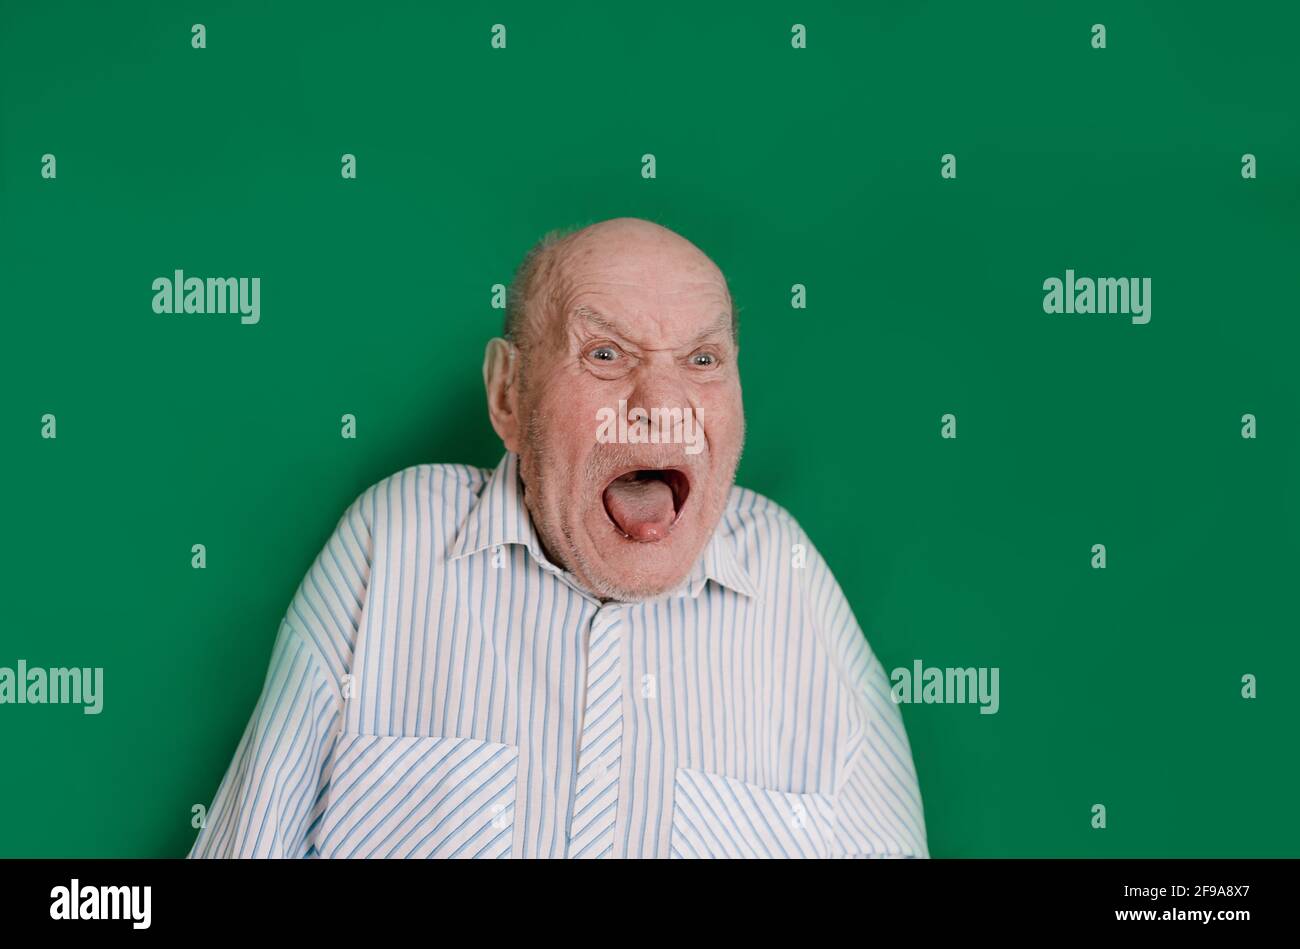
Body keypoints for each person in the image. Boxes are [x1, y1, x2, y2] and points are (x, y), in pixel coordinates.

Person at [188, 217, 928, 859]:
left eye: (703, 362)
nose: (664, 406)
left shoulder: (791, 583)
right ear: (509, 395)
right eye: (606, 354)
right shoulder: (396, 542)